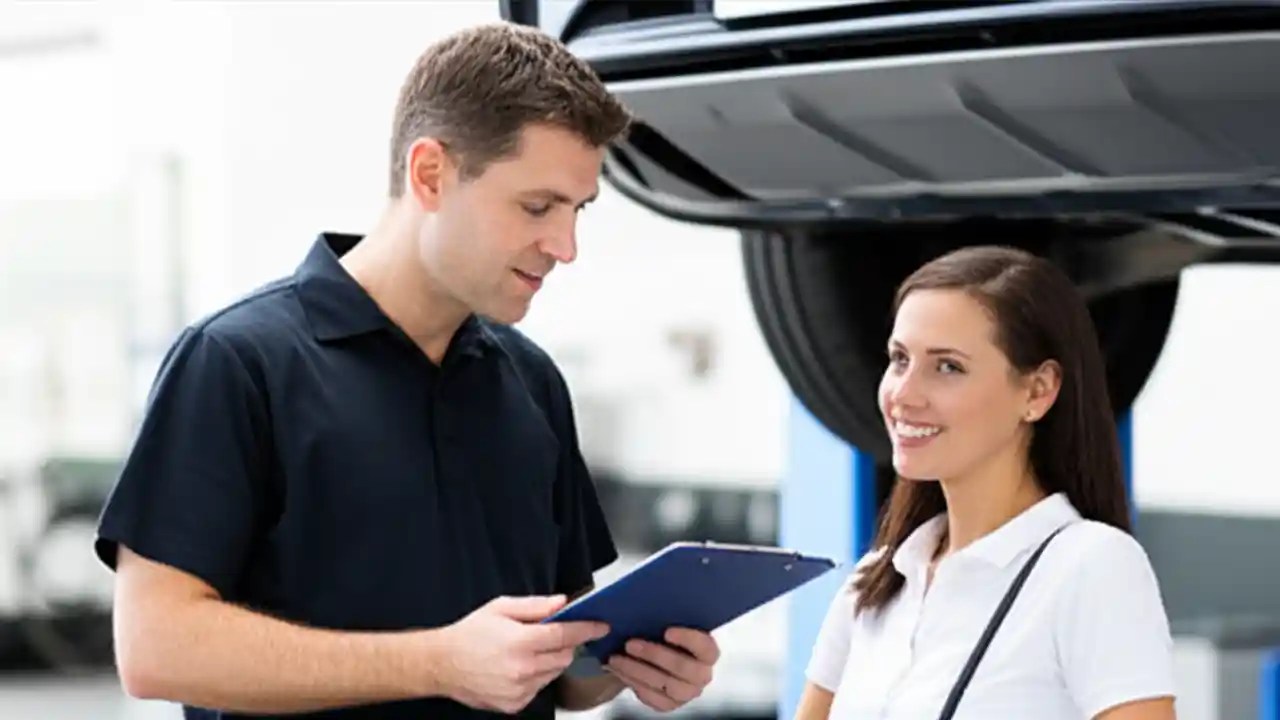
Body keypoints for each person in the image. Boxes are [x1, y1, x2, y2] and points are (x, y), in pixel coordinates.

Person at [93, 22, 720, 720]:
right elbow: (156, 648)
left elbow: (557, 670)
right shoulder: (237, 364)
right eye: (537, 207)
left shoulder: (533, 383)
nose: (565, 246)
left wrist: (630, 664)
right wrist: (439, 662)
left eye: (578, 211)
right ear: (430, 174)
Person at [795, 246, 1177, 720]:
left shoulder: (1091, 566)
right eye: (899, 359)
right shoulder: (874, 582)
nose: (903, 394)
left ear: (1037, 391)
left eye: (947, 366)